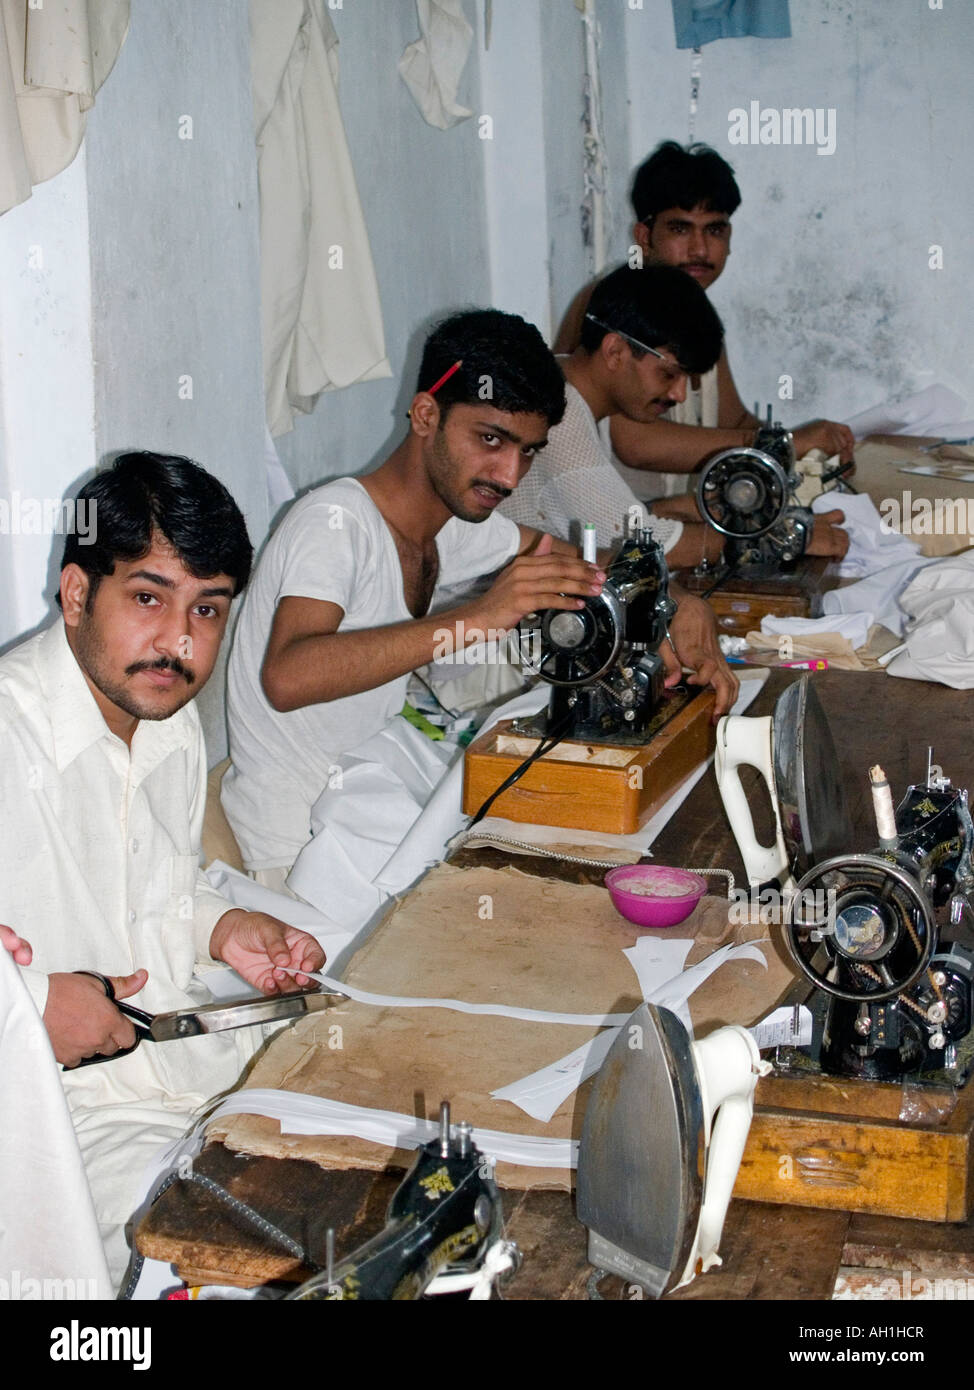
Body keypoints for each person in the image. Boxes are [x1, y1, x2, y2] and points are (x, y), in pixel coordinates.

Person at [222, 309, 738, 912]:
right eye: (489, 439)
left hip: (371, 818)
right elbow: (288, 677)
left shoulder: (454, 528)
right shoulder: (334, 523)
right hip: (301, 862)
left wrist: (679, 603)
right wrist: (483, 616)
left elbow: (589, 570)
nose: (508, 474)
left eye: (528, 451)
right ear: (425, 415)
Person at [0, 452, 326, 1289]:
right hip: (61, 1126)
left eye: (206, 609)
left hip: (186, 1076)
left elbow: (153, 882)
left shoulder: (169, 724)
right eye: (148, 598)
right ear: (77, 594)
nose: (179, 641)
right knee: (273, 1253)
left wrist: (220, 925)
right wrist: (31, 1005)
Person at [555, 142, 851, 554]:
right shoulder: (609, 308)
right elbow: (638, 444)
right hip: (616, 535)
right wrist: (782, 448)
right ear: (644, 235)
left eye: (714, 230)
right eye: (680, 229)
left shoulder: (694, 314)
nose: (699, 249)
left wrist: (801, 448)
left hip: (664, 524)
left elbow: (732, 420)